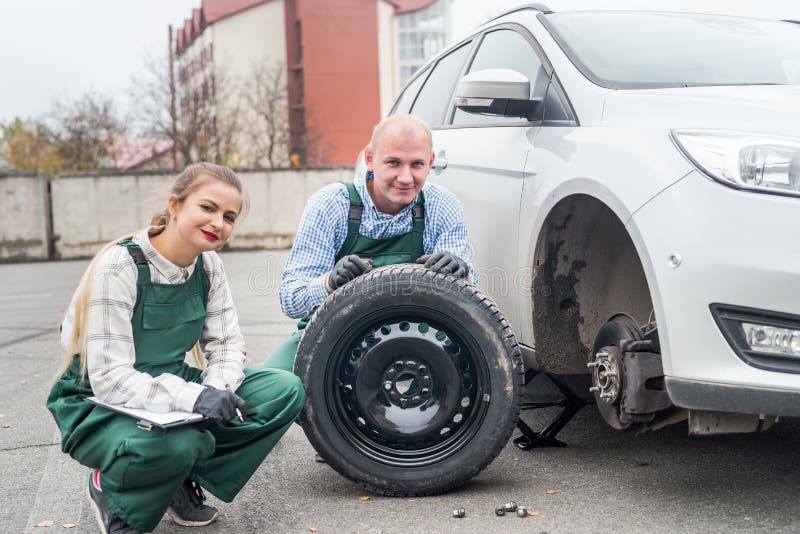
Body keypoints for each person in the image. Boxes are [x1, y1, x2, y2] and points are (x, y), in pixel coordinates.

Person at [47, 163, 305, 534]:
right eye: (208, 208)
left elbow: (227, 344)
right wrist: (195, 399)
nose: (219, 222)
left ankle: (175, 480)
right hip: (95, 400)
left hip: (169, 381)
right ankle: (115, 496)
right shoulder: (120, 266)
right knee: (181, 443)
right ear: (175, 205)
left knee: (283, 391)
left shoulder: (208, 266)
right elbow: (109, 377)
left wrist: (217, 388)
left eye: (229, 216)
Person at [262, 114, 475, 373]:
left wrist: (461, 274)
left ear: (430, 162)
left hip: (420, 338)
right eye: (394, 163)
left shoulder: (442, 205)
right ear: (370, 159)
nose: (406, 178)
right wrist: (330, 282)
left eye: (416, 164)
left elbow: (470, 303)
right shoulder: (330, 205)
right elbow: (291, 300)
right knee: (272, 392)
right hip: (332, 336)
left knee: (481, 370)